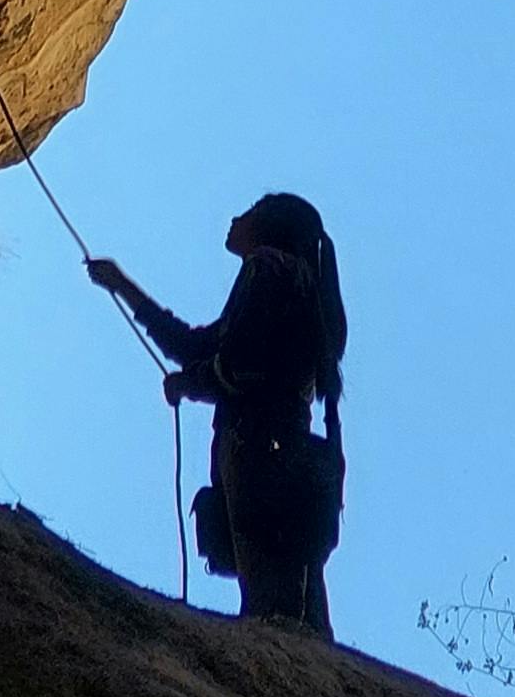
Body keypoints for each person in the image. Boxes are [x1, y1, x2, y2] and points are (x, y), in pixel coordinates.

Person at [91, 193, 346, 633]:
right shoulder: (301, 286)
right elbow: (198, 348)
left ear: (268, 226)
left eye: (250, 210)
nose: (234, 218)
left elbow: (236, 365)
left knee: (269, 596)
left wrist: (189, 383)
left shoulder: (267, 266)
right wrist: (122, 285)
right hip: (289, 451)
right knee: (299, 593)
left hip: (256, 447)